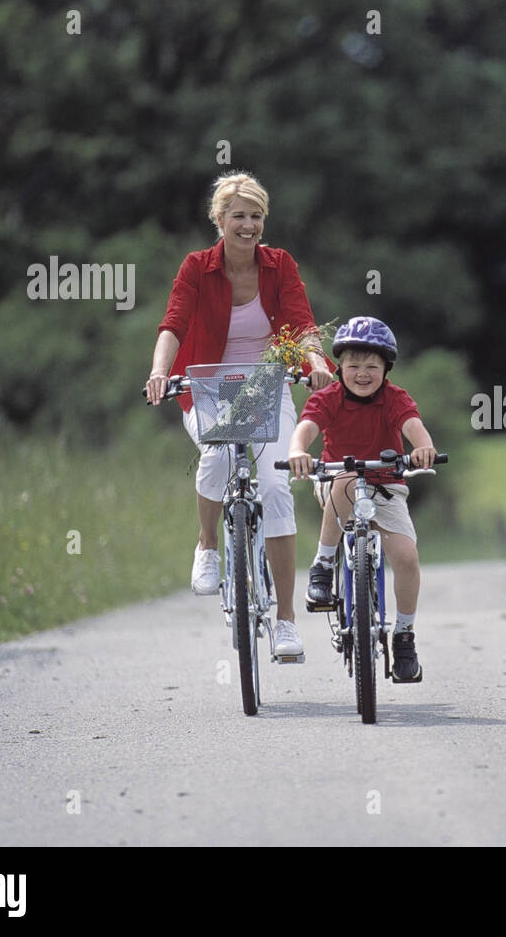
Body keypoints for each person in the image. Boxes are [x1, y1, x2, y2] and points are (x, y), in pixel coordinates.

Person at [144, 171, 333, 659]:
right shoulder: (196, 268)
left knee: (274, 487)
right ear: (219, 220)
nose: (248, 226)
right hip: (207, 388)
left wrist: (314, 362)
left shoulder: (279, 265)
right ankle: (208, 546)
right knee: (219, 457)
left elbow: (303, 324)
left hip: (268, 386)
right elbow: (174, 323)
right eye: (239, 217)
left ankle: (287, 623)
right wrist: (161, 372)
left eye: (256, 217)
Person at [285, 317, 437, 683]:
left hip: (386, 487)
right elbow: (306, 428)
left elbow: (414, 427)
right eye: (354, 365)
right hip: (338, 483)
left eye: (373, 366)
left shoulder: (395, 399)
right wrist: (297, 450)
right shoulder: (329, 398)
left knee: (407, 557)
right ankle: (323, 564)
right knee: (348, 479)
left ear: (387, 369)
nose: (363, 373)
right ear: (340, 368)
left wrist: (424, 448)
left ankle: (404, 636)